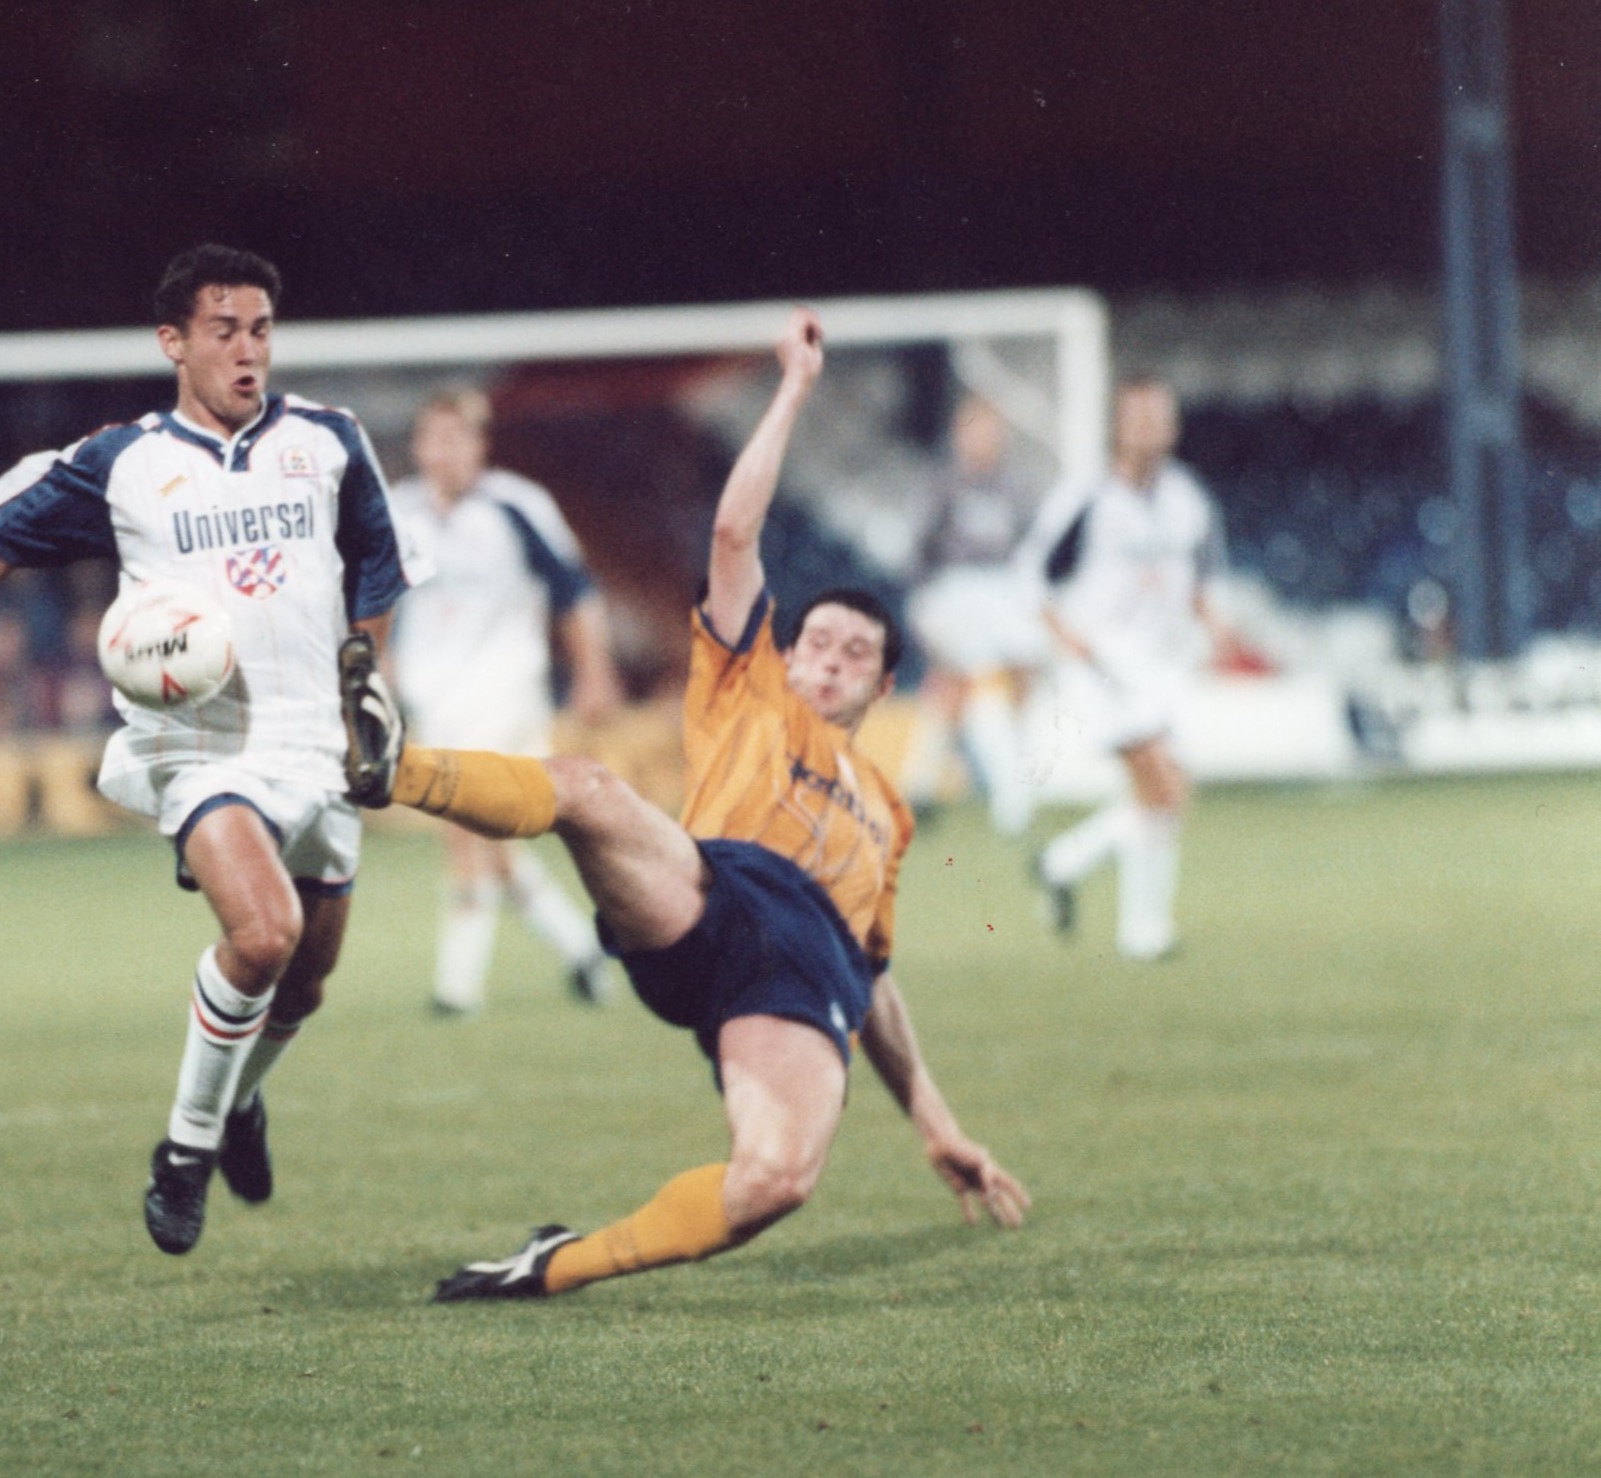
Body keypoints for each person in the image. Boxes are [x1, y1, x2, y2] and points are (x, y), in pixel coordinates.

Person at [338, 309, 1028, 1303]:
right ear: (790, 654)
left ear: (882, 689)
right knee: (584, 786)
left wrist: (933, 1116)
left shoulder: (890, 809)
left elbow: (875, 975)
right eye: (819, 640)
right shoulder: (745, 682)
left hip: (801, 981)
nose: (830, 657)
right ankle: (386, 768)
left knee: (777, 1180)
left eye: (856, 654)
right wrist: (792, 387)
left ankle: (554, 1265)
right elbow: (736, 530)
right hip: (712, 898)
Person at [0, 244, 430, 1257]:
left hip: (312, 741)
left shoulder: (332, 441)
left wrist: (366, 680)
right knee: (262, 933)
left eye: (260, 331)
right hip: (197, 742)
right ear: (174, 343)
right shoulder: (125, 462)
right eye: (223, 331)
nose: (248, 352)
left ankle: (238, 1097)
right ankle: (185, 1148)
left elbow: (376, 566)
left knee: (305, 984)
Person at [387, 386, 624, 1015]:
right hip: (434, 697)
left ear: (479, 446)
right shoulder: (397, 511)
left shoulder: (518, 506)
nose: (445, 451)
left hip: (506, 690)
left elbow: (576, 593)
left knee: (465, 829)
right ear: (418, 447)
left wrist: (594, 671)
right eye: (433, 438)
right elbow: (372, 600)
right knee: (487, 839)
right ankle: (584, 948)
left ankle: (455, 987)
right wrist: (377, 668)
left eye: (457, 438)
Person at [1026, 376, 1229, 962]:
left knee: (1164, 798)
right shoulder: (1085, 498)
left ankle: (1063, 862)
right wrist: (1071, 641)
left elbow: (1203, 576)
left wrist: (1211, 626)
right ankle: (1143, 933)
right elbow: (1032, 577)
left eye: (1159, 417)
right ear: (1119, 425)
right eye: (1138, 417)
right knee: (1163, 787)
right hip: (1102, 665)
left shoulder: (1188, 498)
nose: (1149, 428)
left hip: (1162, 666)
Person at [896, 395, 1049, 836]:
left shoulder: (1015, 489)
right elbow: (919, 551)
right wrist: (923, 608)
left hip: (1003, 590)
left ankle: (921, 783)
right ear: (959, 435)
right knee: (973, 682)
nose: (982, 440)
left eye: (989, 430)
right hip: (955, 590)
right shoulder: (943, 486)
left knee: (990, 682)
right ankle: (1010, 795)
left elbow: (1031, 550)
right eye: (973, 429)